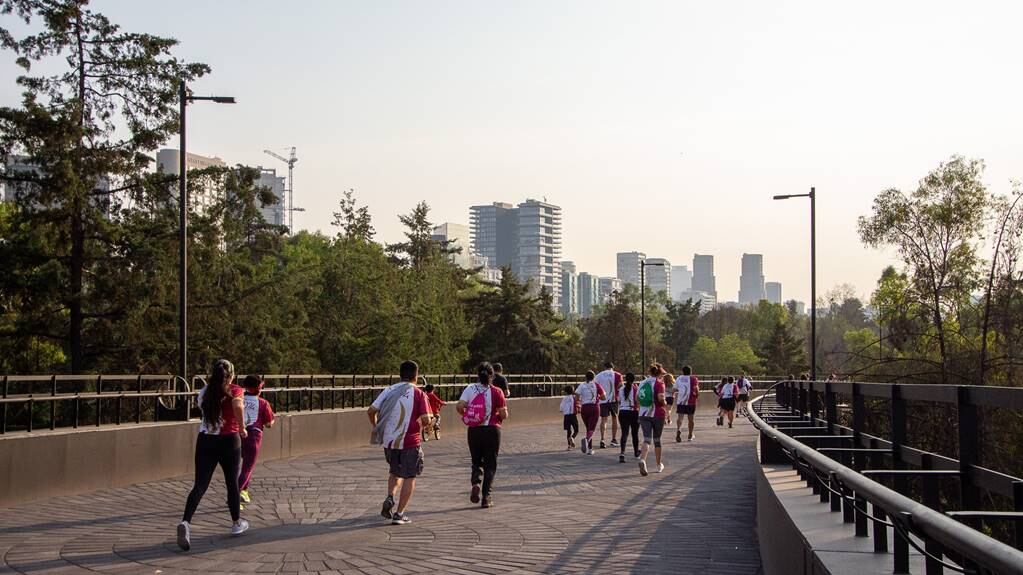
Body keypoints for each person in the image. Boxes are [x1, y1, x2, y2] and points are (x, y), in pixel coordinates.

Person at [177, 359, 249, 551]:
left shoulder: (204, 392)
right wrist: (242, 427)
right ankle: (236, 523)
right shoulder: (235, 390)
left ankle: (185, 522)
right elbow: (238, 405)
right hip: (229, 440)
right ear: (232, 375)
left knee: (199, 485)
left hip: (206, 440)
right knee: (232, 483)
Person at [368, 360, 431, 525]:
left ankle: (390, 497)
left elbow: (371, 410)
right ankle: (399, 513)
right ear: (416, 375)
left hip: (389, 442)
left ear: (400, 374)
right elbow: (425, 418)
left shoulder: (389, 390)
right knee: (410, 476)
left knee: (394, 472)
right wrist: (425, 426)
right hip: (410, 441)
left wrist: (377, 426)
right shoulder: (419, 394)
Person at [457, 362, 509, 508]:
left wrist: (468, 415)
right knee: (490, 464)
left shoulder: (469, 388)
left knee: (476, 460)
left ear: (478, 374)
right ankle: (486, 497)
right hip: (492, 429)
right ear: (492, 375)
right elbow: (504, 414)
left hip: (474, 430)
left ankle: (475, 482)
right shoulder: (497, 391)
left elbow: (459, 406)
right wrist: (499, 415)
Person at [239, 374, 276, 506]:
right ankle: (236, 493)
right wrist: (272, 419)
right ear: (258, 388)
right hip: (253, 436)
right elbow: (268, 424)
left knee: (235, 467)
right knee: (247, 467)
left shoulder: (237, 399)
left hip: (235, 435)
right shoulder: (263, 403)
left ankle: (244, 490)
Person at [636, 364, 667, 476]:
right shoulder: (659, 383)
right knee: (657, 440)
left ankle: (642, 459)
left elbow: (637, 398)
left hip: (643, 414)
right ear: (658, 374)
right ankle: (659, 465)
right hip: (658, 414)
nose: (663, 376)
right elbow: (660, 398)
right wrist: (665, 403)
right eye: (662, 374)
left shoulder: (643, 383)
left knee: (647, 439)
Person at [575, 370, 605, 455]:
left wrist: (582, 399)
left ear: (586, 377)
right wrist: (597, 396)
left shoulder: (582, 385)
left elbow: (576, 397)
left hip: (584, 408)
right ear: (594, 377)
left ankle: (590, 449)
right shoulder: (597, 385)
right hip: (594, 408)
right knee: (591, 429)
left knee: (588, 428)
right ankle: (587, 440)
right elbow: (603, 397)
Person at [594, 362, 622, 449]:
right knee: (615, 418)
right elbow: (621, 386)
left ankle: (602, 439)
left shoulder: (599, 375)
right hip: (614, 399)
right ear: (612, 367)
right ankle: (613, 439)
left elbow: (595, 386)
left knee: (604, 419)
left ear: (605, 367)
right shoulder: (617, 374)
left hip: (603, 400)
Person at [617, 372, 640, 463]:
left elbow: (619, 400)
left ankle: (622, 452)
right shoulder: (636, 389)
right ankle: (636, 452)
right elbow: (637, 402)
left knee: (624, 433)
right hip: (633, 412)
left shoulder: (621, 389)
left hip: (623, 411)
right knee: (635, 433)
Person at [674, 366, 698, 442]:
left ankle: (679, 429)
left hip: (681, 401)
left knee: (680, 417)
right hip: (691, 401)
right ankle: (690, 435)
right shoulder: (693, 379)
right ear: (690, 372)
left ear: (682, 371)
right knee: (690, 419)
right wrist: (697, 395)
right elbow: (696, 389)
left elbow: (674, 389)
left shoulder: (679, 378)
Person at [559, 385, 579, 450]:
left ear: (565, 392)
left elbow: (561, 408)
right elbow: (577, 405)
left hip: (566, 416)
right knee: (576, 430)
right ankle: (572, 438)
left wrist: (563, 410)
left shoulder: (564, 398)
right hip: (573, 415)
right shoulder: (574, 398)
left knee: (568, 431)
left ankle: (569, 446)